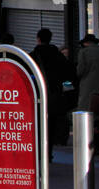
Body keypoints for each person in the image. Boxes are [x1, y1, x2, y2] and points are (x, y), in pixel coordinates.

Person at [30, 28, 73, 156]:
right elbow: (68, 75)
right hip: (55, 95)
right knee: (51, 124)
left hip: (37, 95)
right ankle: (48, 151)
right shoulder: (58, 56)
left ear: (38, 39)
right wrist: (67, 92)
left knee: (38, 123)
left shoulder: (32, 56)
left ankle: (40, 152)